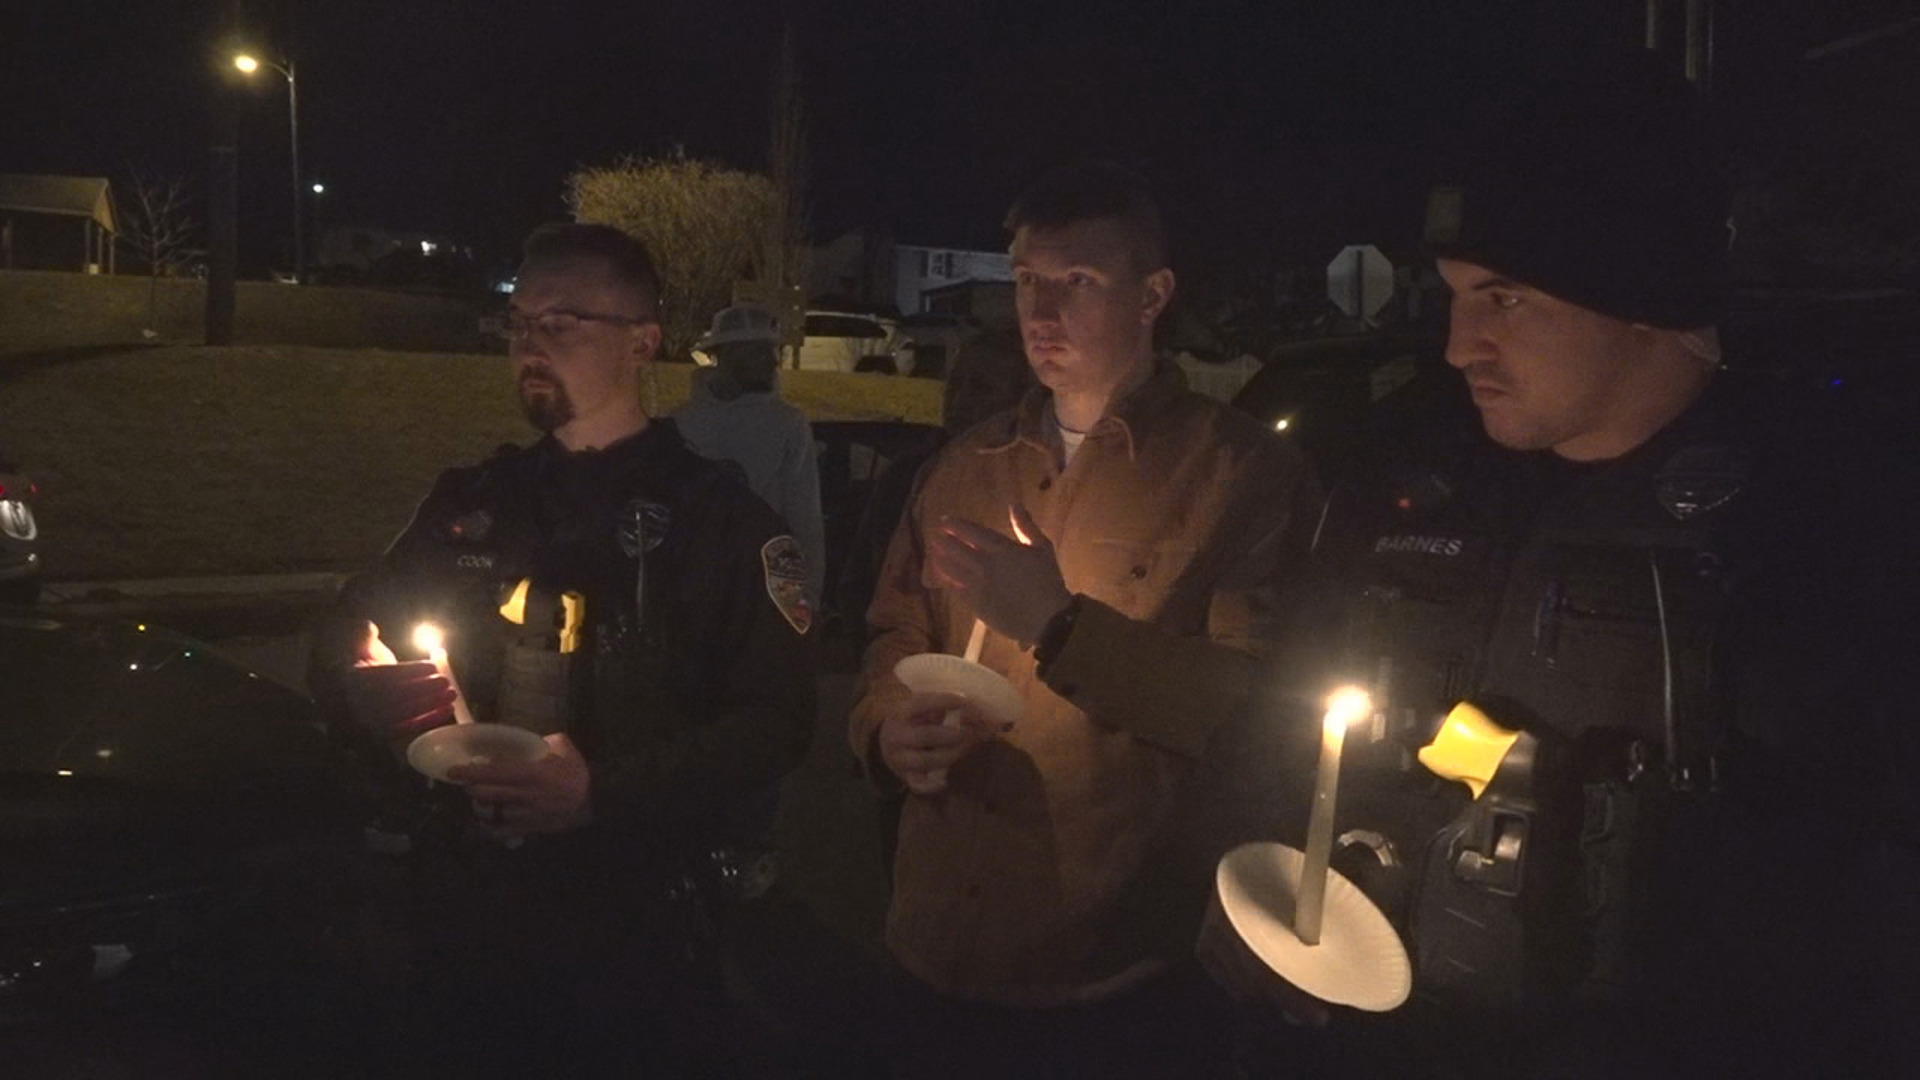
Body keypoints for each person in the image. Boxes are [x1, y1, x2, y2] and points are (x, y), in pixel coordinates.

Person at [1208, 52, 1914, 1079]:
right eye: (1452, 295)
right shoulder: (1412, 477)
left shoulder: (1825, 528)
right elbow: (1289, 733)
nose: (1459, 346)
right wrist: (1280, 884)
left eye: (1504, 298)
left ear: (1643, 293)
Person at [847, 161, 1320, 1077]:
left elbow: (1249, 711)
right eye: (1028, 281)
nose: (1042, 313)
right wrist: (882, 728)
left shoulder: (1237, 477)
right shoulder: (966, 465)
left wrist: (1062, 629)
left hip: (1103, 979)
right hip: (929, 945)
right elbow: (893, 632)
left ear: (1153, 295)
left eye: (1079, 283)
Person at [310, 222, 815, 1077]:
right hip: (465, 920)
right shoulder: (473, 502)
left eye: (562, 322)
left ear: (642, 343)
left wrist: (601, 794)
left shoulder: (719, 525)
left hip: (637, 929)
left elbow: (777, 720)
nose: (529, 345)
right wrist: (378, 699)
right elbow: (346, 634)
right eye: (518, 323)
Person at [676, 303, 828, 609]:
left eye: (768, 351)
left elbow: (803, 518)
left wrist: (803, 601)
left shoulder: (787, 423)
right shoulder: (681, 423)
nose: (770, 361)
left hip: (759, 588)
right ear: (726, 356)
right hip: (697, 586)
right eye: (756, 352)